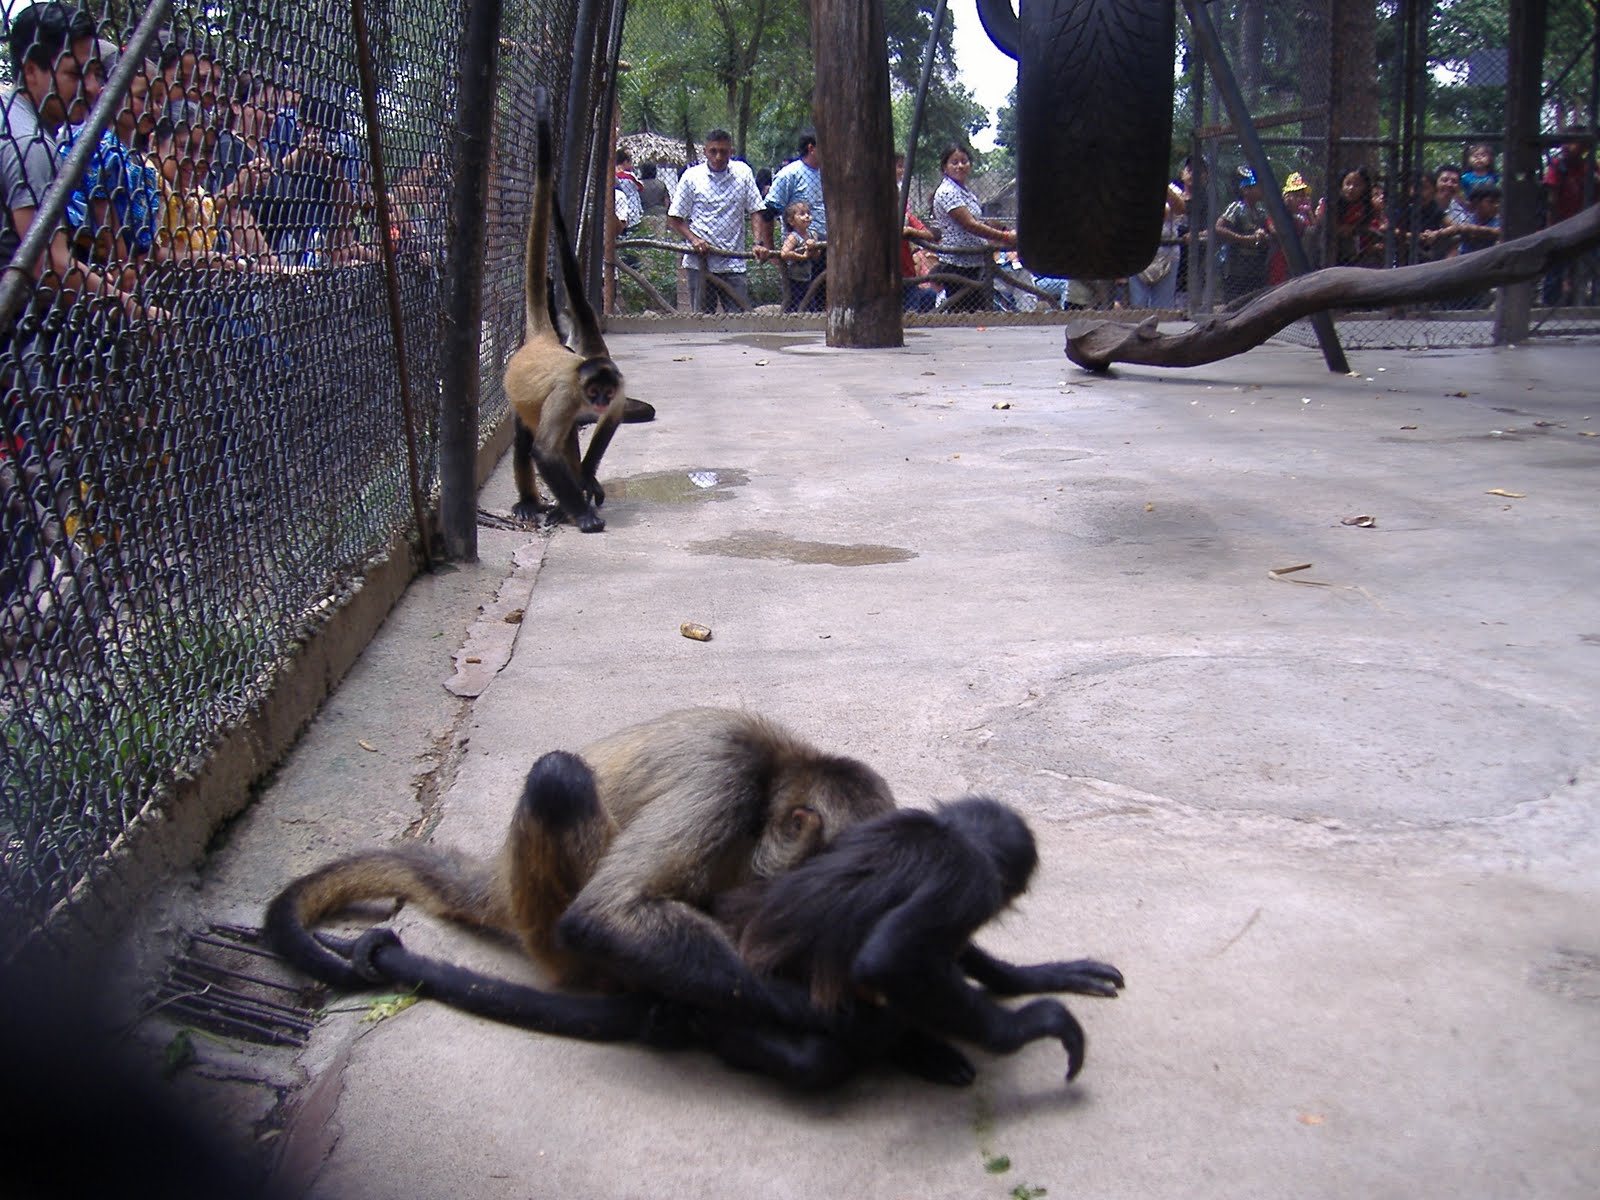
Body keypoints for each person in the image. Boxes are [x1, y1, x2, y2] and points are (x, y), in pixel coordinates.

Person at [666, 127, 765, 313]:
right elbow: (674, 217)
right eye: (713, 151)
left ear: (731, 152)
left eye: (723, 152)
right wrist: (694, 240)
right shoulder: (692, 177)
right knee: (703, 320)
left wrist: (758, 242)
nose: (718, 157)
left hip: (733, 261)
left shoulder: (743, 173)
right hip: (701, 262)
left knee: (739, 318)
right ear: (705, 152)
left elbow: (756, 209)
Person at [931, 144, 1014, 312]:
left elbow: (980, 221)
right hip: (958, 263)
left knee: (978, 313)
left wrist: (1002, 231)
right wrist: (1004, 237)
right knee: (962, 314)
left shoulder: (965, 192)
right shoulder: (947, 192)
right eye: (954, 162)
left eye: (964, 161)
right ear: (944, 167)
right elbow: (969, 224)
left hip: (974, 261)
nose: (960, 166)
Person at [759, 132, 825, 309]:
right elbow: (768, 213)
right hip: (800, 249)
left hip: (826, 247)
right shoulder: (790, 174)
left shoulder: (831, 173)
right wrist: (770, 249)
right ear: (812, 148)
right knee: (800, 300)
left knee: (824, 300)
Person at [1543, 127, 1597, 304]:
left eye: (1572, 142)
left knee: (1591, 265)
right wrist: (1550, 228)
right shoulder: (1558, 165)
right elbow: (1551, 199)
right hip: (1562, 224)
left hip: (1588, 225)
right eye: (1565, 142)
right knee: (1555, 269)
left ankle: (1593, 305)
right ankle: (1549, 304)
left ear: (1584, 147)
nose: (1567, 146)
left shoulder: (1590, 166)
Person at [1213, 165, 1270, 302]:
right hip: (1236, 265)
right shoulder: (1236, 207)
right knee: (1234, 302)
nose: (1261, 190)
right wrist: (1243, 239)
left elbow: (1270, 232)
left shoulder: (1261, 211)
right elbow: (1219, 228)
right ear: (1246, 189)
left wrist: (1263, 237)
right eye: (1257, 186)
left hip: (1256, 266)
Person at [1130, 181, 1184, 308]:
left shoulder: (1172, 189)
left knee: (1163, 306)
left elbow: (1179, 209)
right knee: (1138, 304)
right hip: (1138, 251)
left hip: (1167, 253)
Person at [894, 152, 936, 313]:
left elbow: (930, 235)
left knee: (923, 301)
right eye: (899, 166)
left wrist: (910, 230)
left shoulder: (906, 217)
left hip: (907, 274)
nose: (902, 170)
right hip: (883, 278)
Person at [1323, 165, 1385, 268]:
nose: (1351, 188)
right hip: (1334, 247)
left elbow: (1371, 227)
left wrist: (1354, 229)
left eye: (1357, 185)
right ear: (1341, 185)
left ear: (1365, 187)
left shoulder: (1367, 206)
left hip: (1360, 246)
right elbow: (1325, 225)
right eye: (1348, 184)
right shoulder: (1332, 204)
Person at [777, 199, 820, 311]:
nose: (807, 216)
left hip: (808, 276)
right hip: (794, 278)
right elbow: (784, 253)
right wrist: (802, 257)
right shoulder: (793, 237)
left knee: (809, 303)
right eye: (802, 214)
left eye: (808, 214)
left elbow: (817, 256)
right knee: (794, 304)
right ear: (791, 221)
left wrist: (813, 248)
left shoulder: (813, 234)